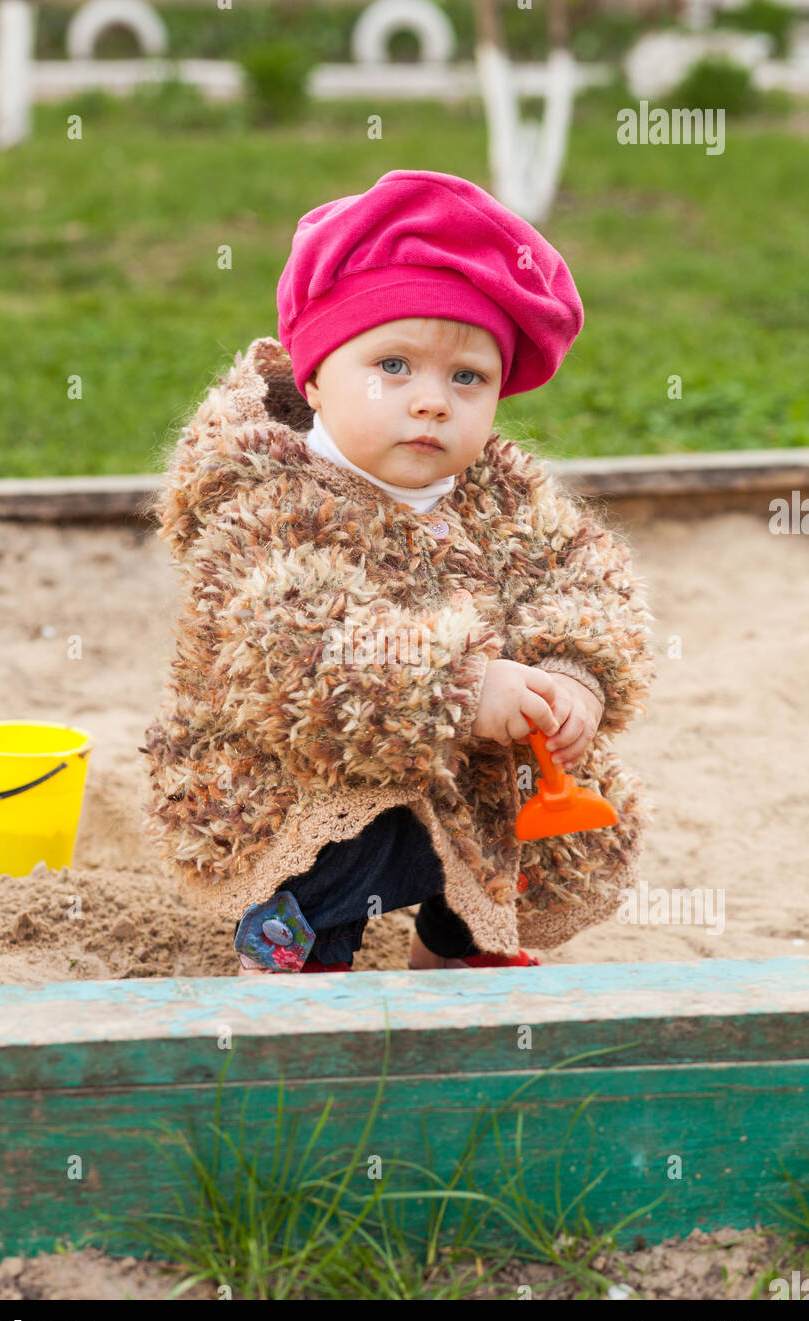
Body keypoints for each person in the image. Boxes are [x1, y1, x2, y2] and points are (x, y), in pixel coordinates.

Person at [140, 169, 656, 975]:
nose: (431, 402)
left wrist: (573, 675)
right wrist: (458, 686)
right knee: (338, 847)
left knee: (550, 809)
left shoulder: (501, 494)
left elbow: (586, 578)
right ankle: (299, 952)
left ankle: (459, 942)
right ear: (313, 378)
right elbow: (293, 647)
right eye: (393, 365)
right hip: (300, 766)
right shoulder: (266, 500)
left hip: (457, 769)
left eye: (466, 377)